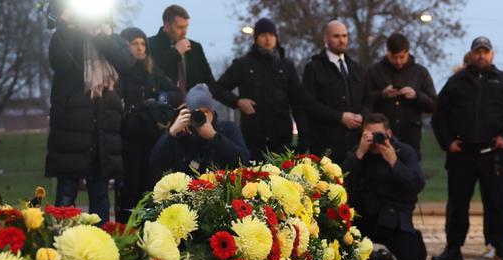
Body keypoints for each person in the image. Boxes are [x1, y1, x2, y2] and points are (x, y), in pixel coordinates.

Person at [431, 36, 503, 260]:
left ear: (492, 54)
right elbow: (439, 114)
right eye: (477, 51)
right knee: (457, 203)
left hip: (493, 154)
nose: (481, 55)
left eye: (486, 51)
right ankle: (453, 248)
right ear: (471, 54)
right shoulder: (456, 82)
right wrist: (447, 141)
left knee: (497, 203)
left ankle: (501, 249)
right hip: (462, 153)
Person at [44, 1, 132, 222]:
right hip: (71, 130)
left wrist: (100, 36)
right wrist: (65, 26)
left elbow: (127, 63)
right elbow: (60, 61)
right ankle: (60, 242)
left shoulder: (112, 38)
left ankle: (100, 245)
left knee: (100, 195)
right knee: (66, 194)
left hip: (103, 130)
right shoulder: (67, 37)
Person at [342, 113, 427, 260]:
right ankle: (377, 254)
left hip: (394, 222)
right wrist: (359, 154)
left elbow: (416, 185)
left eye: (379, 135)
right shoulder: (359, 151)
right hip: (365, 219)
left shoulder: (404, 152)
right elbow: (341, 181)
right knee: (346, 259)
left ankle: (390, 249)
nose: (375, 140)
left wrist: (394, 162)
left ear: (389, 133)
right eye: (370, 135)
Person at [216, 18, 307, 160]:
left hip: (282, 140)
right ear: (256, 38)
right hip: (253, 139)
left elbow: (298, 103)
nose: (268, 39)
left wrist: (303, 137)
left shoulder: (286, 66)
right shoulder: (243, 64)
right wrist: (237, 101)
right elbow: (218, 89)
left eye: (271, 35)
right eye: (263, 35)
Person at [116, 26, 180, 221]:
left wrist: (161, 99)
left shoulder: (152, 71)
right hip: (128, 139)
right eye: (134, 43)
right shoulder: (119, 72)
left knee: (150, 187)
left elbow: (176, 93)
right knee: (129, 188)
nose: (140, 48)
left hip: (152, 138)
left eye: (143, 43)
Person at [148, 84, 250, 177]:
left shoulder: (228, 129)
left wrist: (214, 137)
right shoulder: (182, 134)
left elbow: (244, 161)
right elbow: (155, 164)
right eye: (196, 113)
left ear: (212, 112)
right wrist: (171, 133)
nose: (201, 117)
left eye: (205, 112)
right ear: (188, 114)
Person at [363, 33, 437, 155]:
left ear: (408, 52)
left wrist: (416, 96)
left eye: (402, 57)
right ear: (388, 52)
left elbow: (433, 104)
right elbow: (365, 99)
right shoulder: (374, 71)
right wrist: (383, 94)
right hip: (380, 138)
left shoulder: (420, 72)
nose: (398, 61)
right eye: (394, 57)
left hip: (410, 138)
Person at [147, 5, 234, 106]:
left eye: (186, 26)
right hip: (162, 107)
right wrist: (175, 53)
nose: (184, 32)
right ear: (166, 26)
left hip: (192, 110)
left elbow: (209, 83)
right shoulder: (150, 45)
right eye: (179, 27)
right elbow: (151, 73)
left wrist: (235, 101)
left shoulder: (195, 48)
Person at [302, 20, 365, 157]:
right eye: (336, 36)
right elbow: (309, 103)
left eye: (344, 36)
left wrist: (362, 116)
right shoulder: (314, 68)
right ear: (326, 38)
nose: (342, 40)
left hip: (354, 144)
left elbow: (366, 99)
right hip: (326, 145)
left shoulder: (356, 68)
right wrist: (340, 117)